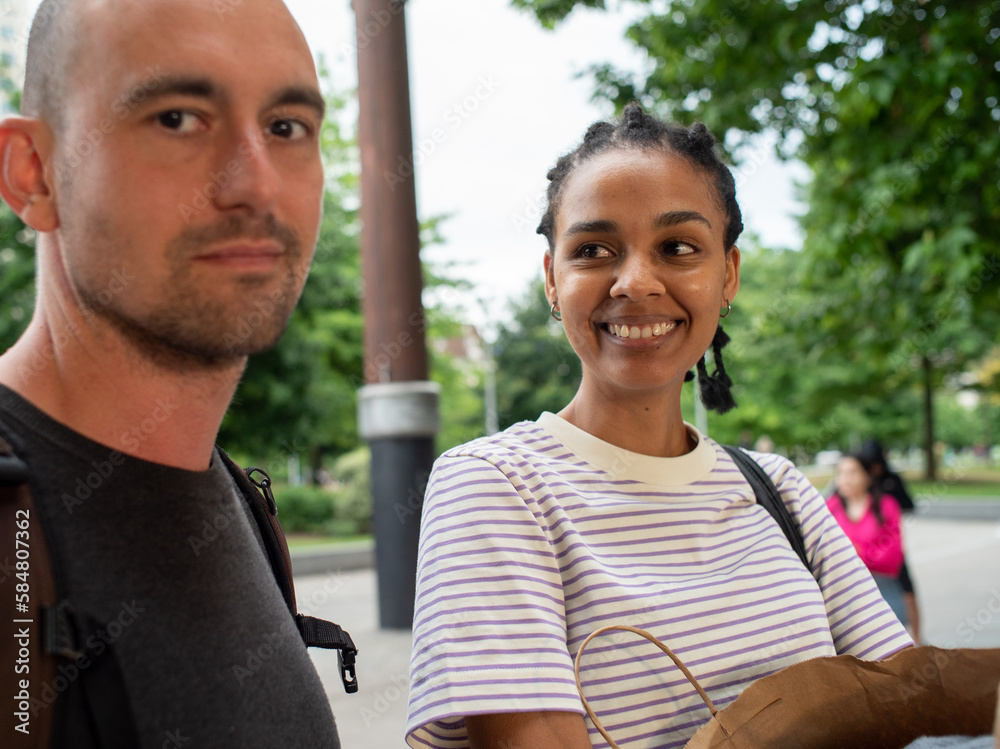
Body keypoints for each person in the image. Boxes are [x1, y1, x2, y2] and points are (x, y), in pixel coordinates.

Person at [405, 105, 912, 749]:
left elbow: (900, 703)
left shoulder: (778, 490)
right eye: (592, 250)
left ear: (727, 274)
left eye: (677, 248)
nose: (636, 282)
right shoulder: (494, 487)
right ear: (552, 280)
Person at [0, 0, 340, 746]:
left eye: (286, 127)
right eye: (179, 118)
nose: (256, 183)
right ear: (33, 174)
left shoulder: (241, 508)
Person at [826, 454, 908, 629]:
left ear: (867, 476)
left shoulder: (887, 506)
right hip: (843, 598)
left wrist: (851, 551)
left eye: (852, 473)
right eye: (840, 473)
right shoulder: (829, 507)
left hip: (883, 592)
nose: (844, 479)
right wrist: (863, 551)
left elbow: (892, 558)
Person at [858, 438, 921, 642]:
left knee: (907, 591)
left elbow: (909, 505)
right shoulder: (860, 481)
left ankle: (917, 639)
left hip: (890, 547)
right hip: (864, 549)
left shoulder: (892, 480)